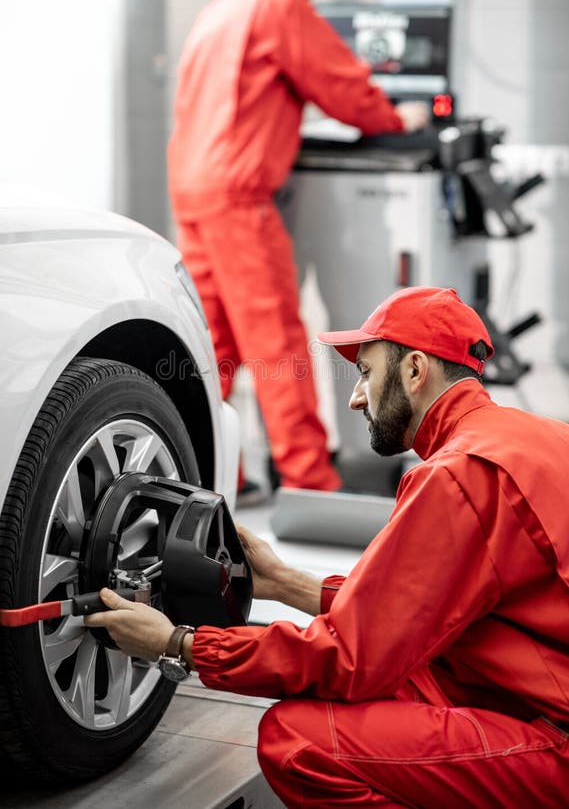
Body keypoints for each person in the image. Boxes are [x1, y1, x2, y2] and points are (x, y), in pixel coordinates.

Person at [87, 286, 569, 807]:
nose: (356, 397)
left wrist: (180, 645)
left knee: (295, 741)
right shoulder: (535, 439)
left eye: (366, 372)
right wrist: (285, 582)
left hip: (555, 744)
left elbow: (349, 658)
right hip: (538, 688)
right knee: (406, 670)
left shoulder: (458, 476)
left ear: (413, 371)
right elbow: (408, 616)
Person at [167, 0, 430, 494]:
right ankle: (310, 482)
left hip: (193, 187)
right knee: (276, 343)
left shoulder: (223, 6)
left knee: (212, 349)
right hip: (237, 195)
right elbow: (338, 83)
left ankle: (212, 476)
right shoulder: (281, 4)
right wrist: (394, 116)